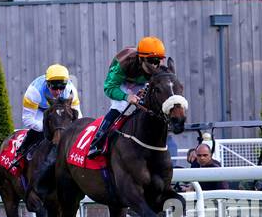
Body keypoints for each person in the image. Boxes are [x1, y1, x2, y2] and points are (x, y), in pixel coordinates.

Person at [89, 37, 167, 158]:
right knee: (120, 106)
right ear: (141, 58)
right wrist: (126, 97)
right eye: (151, 60)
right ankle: (97, 142)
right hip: (121, 82)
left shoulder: (158, 66)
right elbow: (109, 88)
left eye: (157, 61)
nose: (154, 65)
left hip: (142, 82)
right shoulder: (123, 63)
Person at [20, 63, 82, 202]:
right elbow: (27, 119)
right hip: (40, 113)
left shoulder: (71, 90)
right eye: (54, 87)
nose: (58, 91)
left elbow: (78, 116)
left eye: (61, 87)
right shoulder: (34, 92)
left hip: (59, 115)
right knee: (38, 132)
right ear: (47, 84)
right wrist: (49, 128)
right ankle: (20, 153)